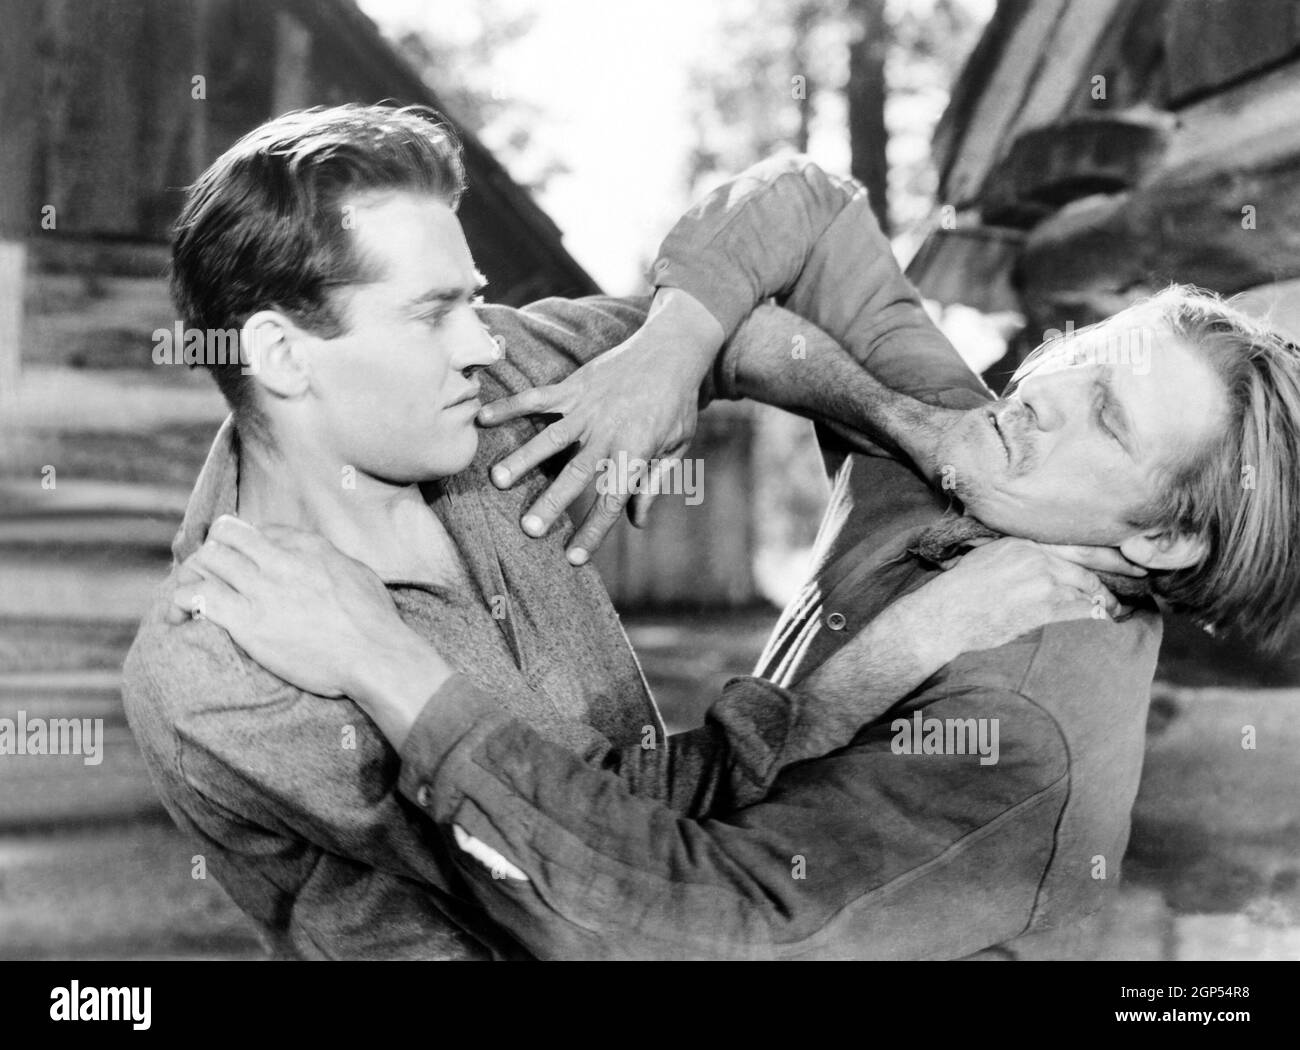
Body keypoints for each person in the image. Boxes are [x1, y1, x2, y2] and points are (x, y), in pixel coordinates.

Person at [169, 147, 1300, 958]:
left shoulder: (1024, 730)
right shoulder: (976, 449)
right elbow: (808, 205)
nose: (1044, 398)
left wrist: (383, 660)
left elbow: (667, 930)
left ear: (1158, 534)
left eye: (1106, 420)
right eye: (1079, 357)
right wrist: (682, 347)